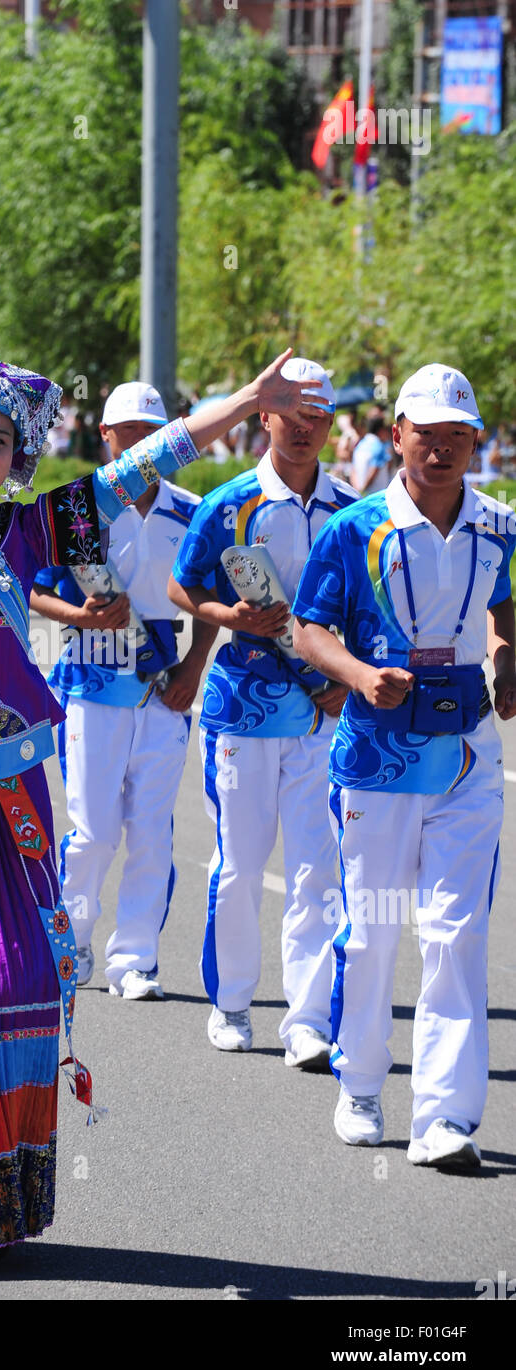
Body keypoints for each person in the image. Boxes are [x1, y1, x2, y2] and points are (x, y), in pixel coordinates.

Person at [0, 346, 321, 1253]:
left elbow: (144, 465)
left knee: (20, 981)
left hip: (9, 797)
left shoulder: (27, 530)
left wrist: (242, 402)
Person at [292, 363, 516, 1167]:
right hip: (375, 756)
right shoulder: (354, 530)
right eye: (427, 435)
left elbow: (502, 603)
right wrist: (356, 676)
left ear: (474, 443)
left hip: (465, 755)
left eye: (458, 436)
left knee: (457, 933)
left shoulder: (498, 525)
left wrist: (506, 657)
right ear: (396, 438)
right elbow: (307, 628)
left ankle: (444, 1120)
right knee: (375, 930)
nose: (442, 450)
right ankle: (359, 1085)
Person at [168, 358, 358, 1066]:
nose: (303, 429)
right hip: (243, 710)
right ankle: (232, 1002)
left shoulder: (351, 510)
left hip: (325, 716)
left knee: (317, 869)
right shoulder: (228, 504)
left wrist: (348, 676)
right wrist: (230, 616)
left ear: (330, 424)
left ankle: (306, 1021)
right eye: (291, 414)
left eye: (317, 417)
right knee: (241, 866)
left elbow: (364, 609)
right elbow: (181, 585)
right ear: (264, 416)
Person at [30, 381, 216, 999]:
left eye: (151, 435)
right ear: (105, 438)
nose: (139, 446)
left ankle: (134, 960)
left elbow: (214, 593)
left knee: (152, 831)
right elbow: (30, 587)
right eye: (127, 433)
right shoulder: (79, 511)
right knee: (93, 831)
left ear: (169, 440)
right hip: (90, 685)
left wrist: (194, 665)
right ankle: (71, 941)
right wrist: (78, 617)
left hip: (164, 691)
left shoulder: (193, 511)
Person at [350, 412, 391, 495]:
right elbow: (374, 470)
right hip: (375, 494)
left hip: (359, 493)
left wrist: (357, 490)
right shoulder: (379, 446)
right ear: (381, 430)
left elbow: (353, 470)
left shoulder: (360, 444)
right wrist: (364, 489)